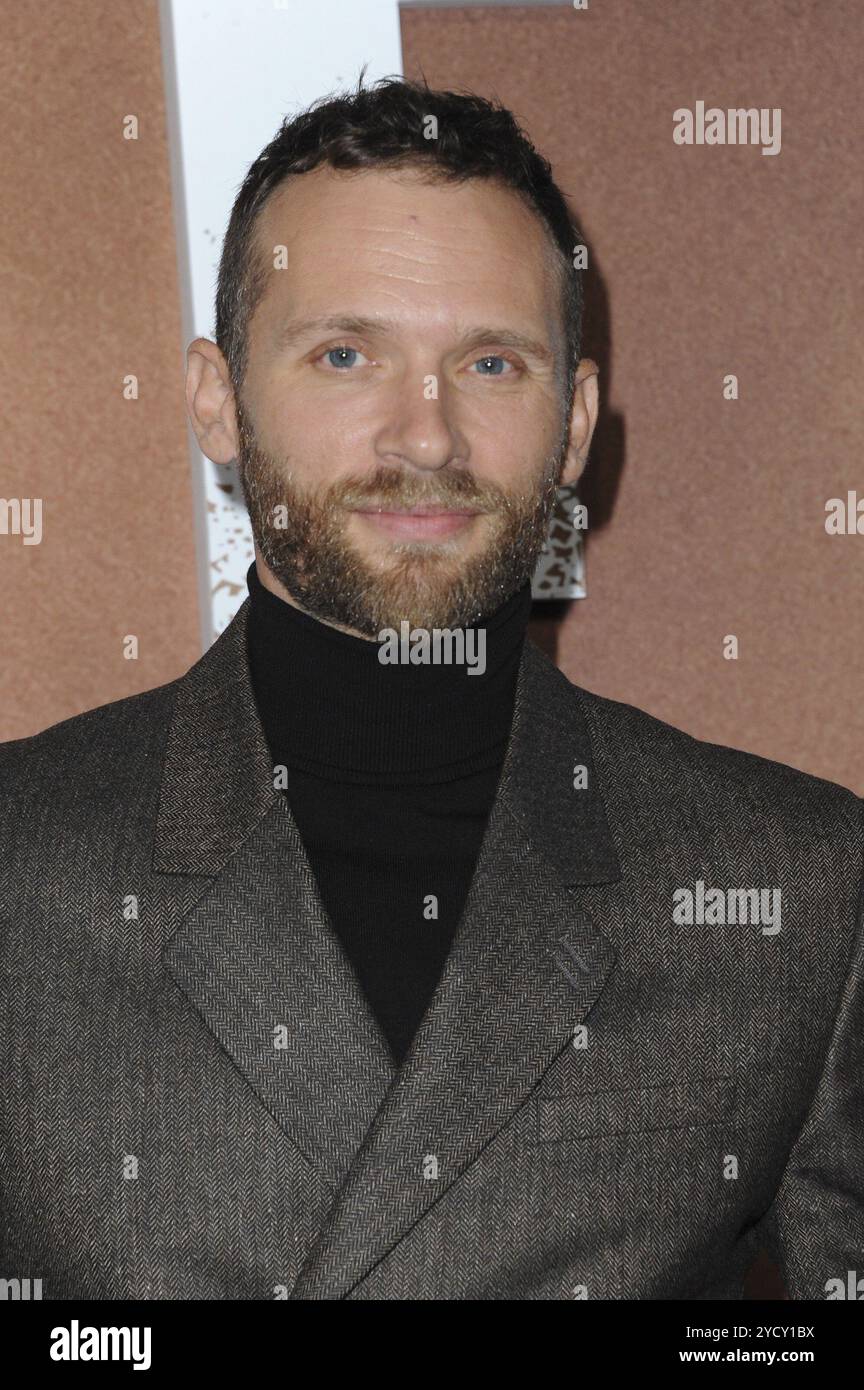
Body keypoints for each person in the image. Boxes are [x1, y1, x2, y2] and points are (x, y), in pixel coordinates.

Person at [1, 76, 861, 1301]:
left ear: (574, 424)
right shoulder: (19, 870)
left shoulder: (799, 893)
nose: (426, 438)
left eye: (493, 363)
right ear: (215, 399)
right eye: (347, 353)